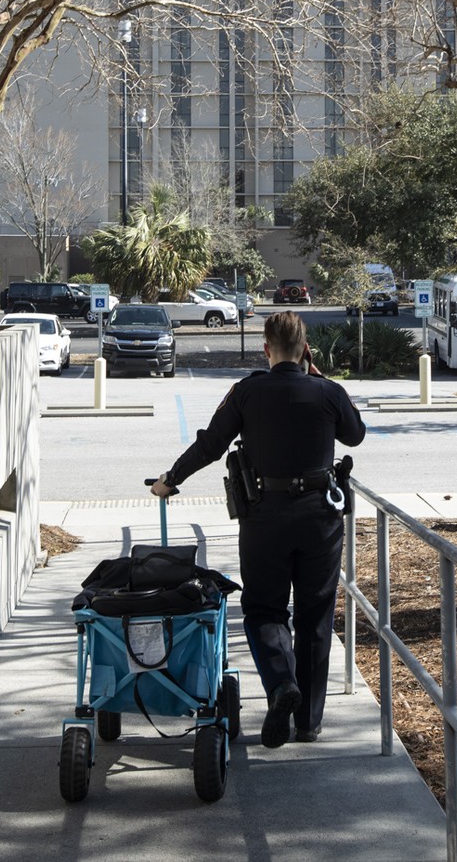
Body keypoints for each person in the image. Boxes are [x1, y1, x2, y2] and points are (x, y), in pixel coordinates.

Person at [150, 310, 366, 748]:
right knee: (314, 615)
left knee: (265, 610)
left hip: (264, 517)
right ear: (305, 350)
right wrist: (320, 379)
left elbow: (211, 444)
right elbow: (356, 435)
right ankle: (307, 721)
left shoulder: (246, 393)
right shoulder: (328, 392)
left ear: (266, 350)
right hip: (320, 519)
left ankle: (281, 684)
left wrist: (170, 479)